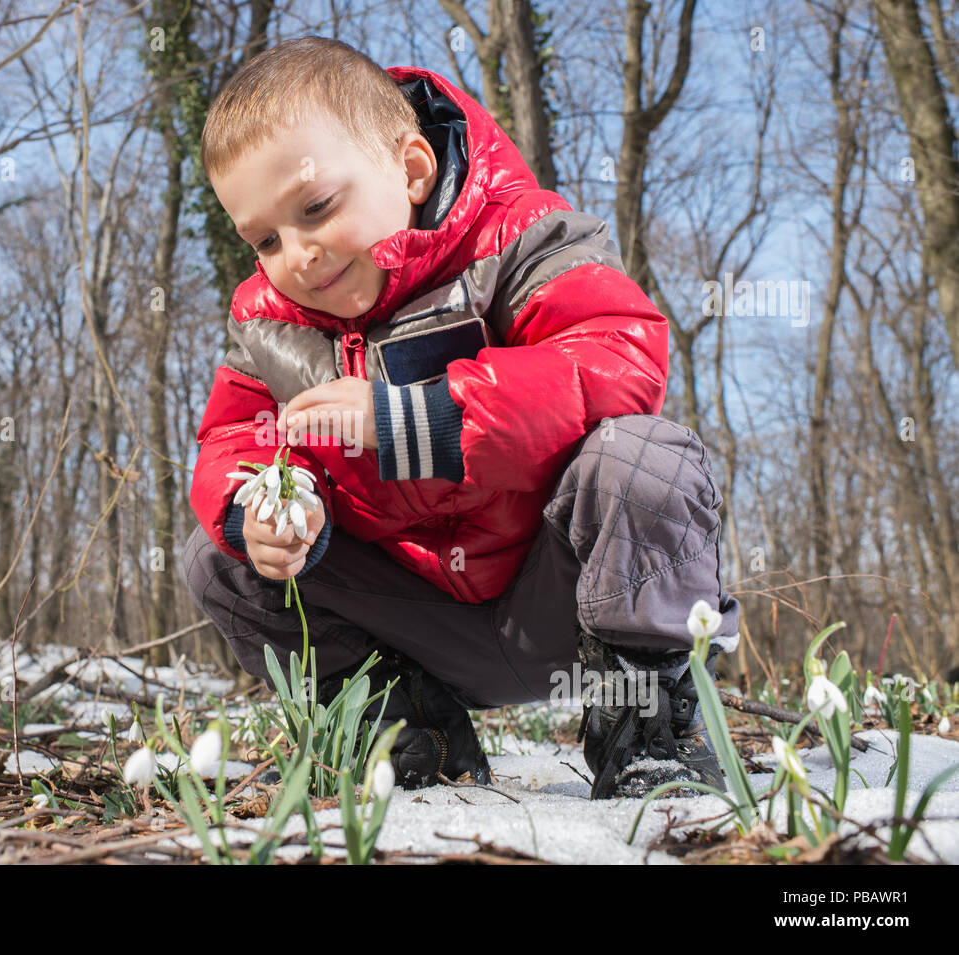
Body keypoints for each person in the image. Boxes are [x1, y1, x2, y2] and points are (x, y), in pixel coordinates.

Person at [182, 36, 743, 798]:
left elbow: (618, 359)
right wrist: (268, 504)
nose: (299, 255)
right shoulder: (270, 326)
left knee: (646, 458)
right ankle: (409, 735)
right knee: (218, 558)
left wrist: (417, 418)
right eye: (266, 239)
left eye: (316, 209)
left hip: (564, 602)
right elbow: (232, 438)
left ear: (411, 169)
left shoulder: (520, 238)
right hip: (419, 623)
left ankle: (647, 732)